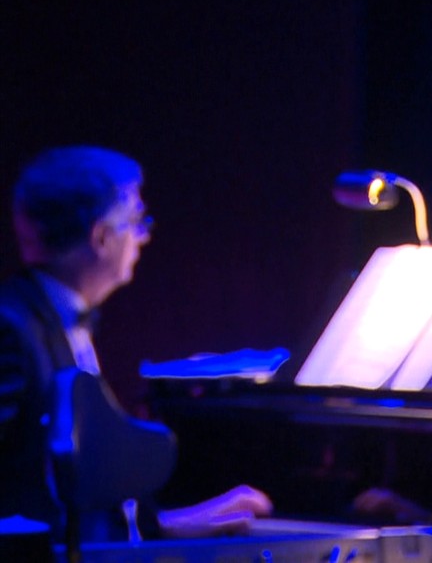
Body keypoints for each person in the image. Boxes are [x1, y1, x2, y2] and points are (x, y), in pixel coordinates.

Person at [0, 145, 273, 542]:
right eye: (136, 221)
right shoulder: (11, 330)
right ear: (102, 237)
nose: (143, 237)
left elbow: (81, 492)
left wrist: (164, 523)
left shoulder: (53, 319)